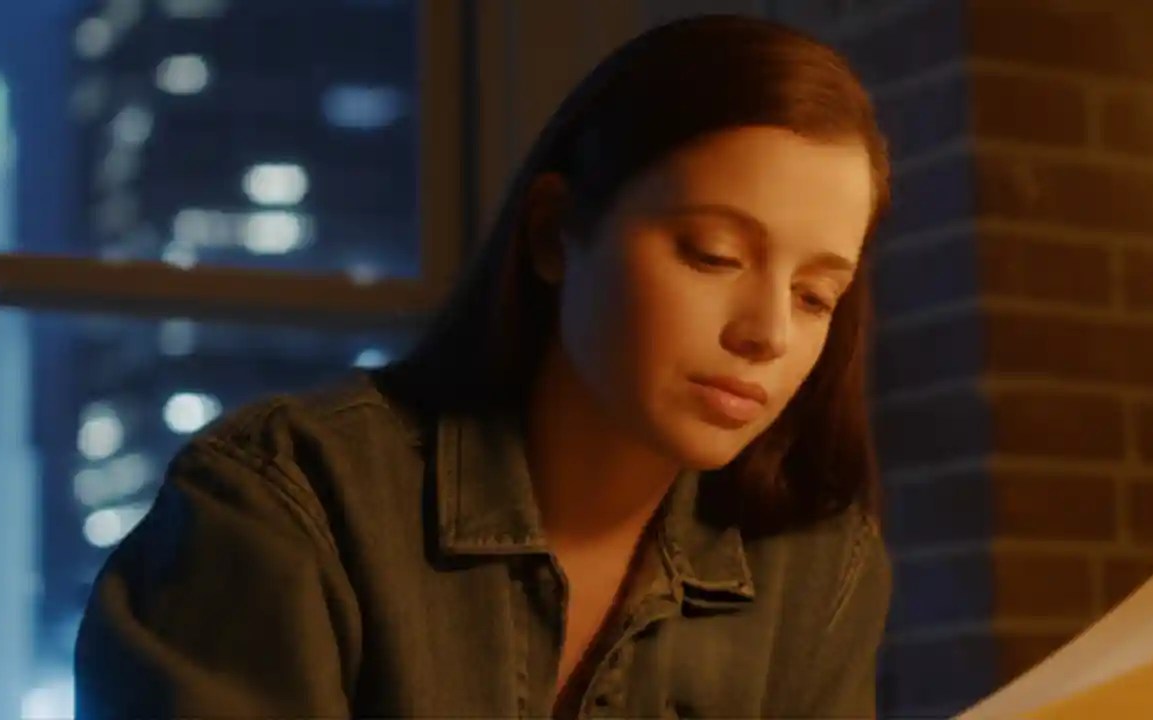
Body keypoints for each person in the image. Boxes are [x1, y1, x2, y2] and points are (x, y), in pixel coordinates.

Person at [75, 13, 893, 719]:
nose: (769, 332)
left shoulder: (815, 566)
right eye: (713, 255)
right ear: (552, 234)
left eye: (818, 294)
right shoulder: (289, 507)